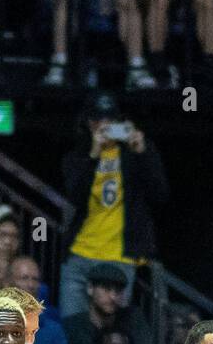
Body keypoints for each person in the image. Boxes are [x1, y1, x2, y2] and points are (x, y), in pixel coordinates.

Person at [60, 93, 168, 316]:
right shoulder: (77, 157)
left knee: (113, 332)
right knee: (73, 325)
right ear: (90, 123)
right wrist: (93, 155)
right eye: (99, 120)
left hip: (120, 257)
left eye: (112, 121)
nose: (106, 126)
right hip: (80, 253)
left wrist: (143, 153)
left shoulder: (134, 154)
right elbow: (75, 196)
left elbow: (159, 195)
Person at [62, 262, 156, 344]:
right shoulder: (72, 326)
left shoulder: (133, 318)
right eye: (106, 289)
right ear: (90, 288)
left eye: (118, 291)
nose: (113, 296)